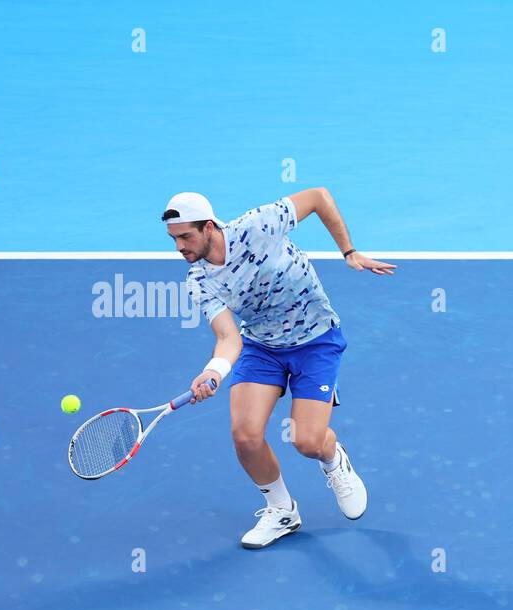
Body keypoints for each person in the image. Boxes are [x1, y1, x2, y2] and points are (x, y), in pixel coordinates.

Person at [162, 189, 395, 548]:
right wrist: (213, 372)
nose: (179, 247)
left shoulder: (256, 225)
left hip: (316, 340)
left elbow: (318, 196)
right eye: (174, 239)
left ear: (209, 227)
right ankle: (281, 510)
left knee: (307, 442)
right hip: (262, 347)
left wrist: (348, 252)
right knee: (245, 436)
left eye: (185, 236)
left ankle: (333, 458)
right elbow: (228, 338)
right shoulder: (198, 280)